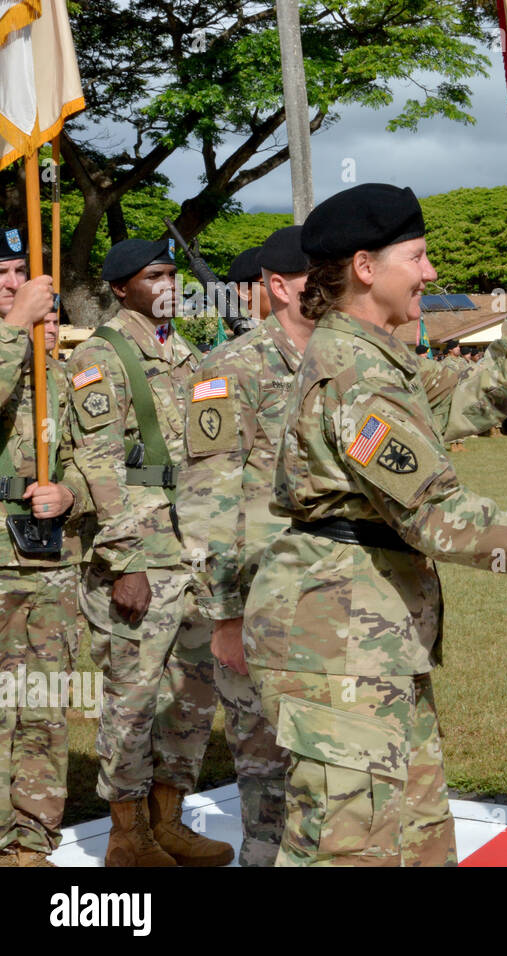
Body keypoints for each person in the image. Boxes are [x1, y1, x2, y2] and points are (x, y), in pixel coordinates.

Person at [242, 183, 507, 867]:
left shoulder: (377, 358)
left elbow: (475, 398)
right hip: (339, 651)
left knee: (417, 839)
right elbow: (437, 517)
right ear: (366, 268)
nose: (430, 273)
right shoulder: (354, 377)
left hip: (376, 642)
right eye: (418, 258)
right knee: (352, 848)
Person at [65, 238, 235, 867]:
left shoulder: (187, 353)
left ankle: (170, 818)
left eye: (171, 274)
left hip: (193, 550)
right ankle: (126, 833)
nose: (168, 284)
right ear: (119, 287)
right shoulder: (99, 359)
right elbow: (99, 465)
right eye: (153, 276)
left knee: (193, 691)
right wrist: (127, 561)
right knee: (132, 697)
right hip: (139, 552)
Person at [178, 226, 316, 866]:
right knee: (266, 772)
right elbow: (209, 502)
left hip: (331, 605)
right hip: (258, 603)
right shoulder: (231, 368)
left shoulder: (346, 357)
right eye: (315, 274)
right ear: (280, 285)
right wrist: (227, 617)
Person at [0, 238, 91, 868]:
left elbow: (101, 451)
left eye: (17, 273)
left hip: (43, 564)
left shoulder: (57, 364)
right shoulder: (14, 341)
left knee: (40, 705)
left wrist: (72, 492)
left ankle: (29, 842)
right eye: (0, 275)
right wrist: (12, 328)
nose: (13, 283)